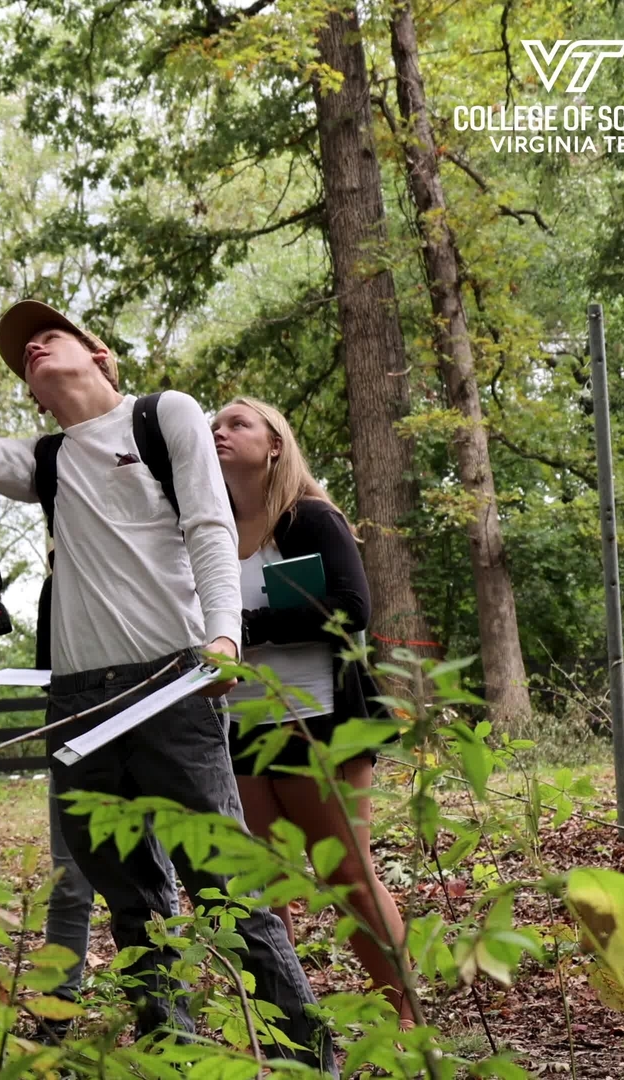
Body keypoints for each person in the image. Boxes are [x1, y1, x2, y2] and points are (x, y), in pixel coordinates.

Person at [0, 234, 336, 1073]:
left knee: (224, 883)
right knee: (129, 897)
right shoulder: (48, 460)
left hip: (172, 682)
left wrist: (224, 633)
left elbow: (210, 524)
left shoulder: (162, 414)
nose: (33, 346)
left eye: (50, 334)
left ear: (98, 355)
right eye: (22, 353)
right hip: (77, 699)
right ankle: (169, 1054)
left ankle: (308, 1057)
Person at [212, 396, 414, 1026]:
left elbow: (353, 609)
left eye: (237, 423)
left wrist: (249, 625)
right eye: (214, 425)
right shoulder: (209, 532)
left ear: (274, 444)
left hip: (319, 721)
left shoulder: (309, 518)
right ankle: (290, 1029)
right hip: (241, 725)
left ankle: (404, 1020)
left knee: (348, 877)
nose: (220, 431)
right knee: (265, 888)